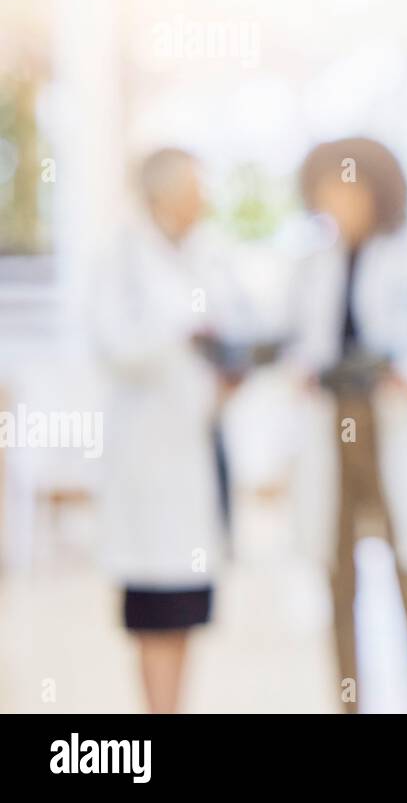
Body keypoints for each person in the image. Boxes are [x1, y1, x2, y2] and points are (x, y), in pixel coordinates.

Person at [290, 137, 407, 714]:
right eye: (326, 189)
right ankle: (348, 703)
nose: (335, 200)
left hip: (389, 418)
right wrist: (302, 370)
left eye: (346, 186)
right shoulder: (312, 262)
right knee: (337, 577)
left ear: (375, 190)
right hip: (331, 421)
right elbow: (295, 340)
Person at [92, 148, 241, 713]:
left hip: (194, 453)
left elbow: (224, 324)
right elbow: (115, 345)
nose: (203, 199)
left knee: (184, 606)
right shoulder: (121, 258)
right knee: (154, 609)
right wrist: (182, 330)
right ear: (164, 194)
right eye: (194, 188)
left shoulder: (201, 255)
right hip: (146, 462)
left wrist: (226, 367)